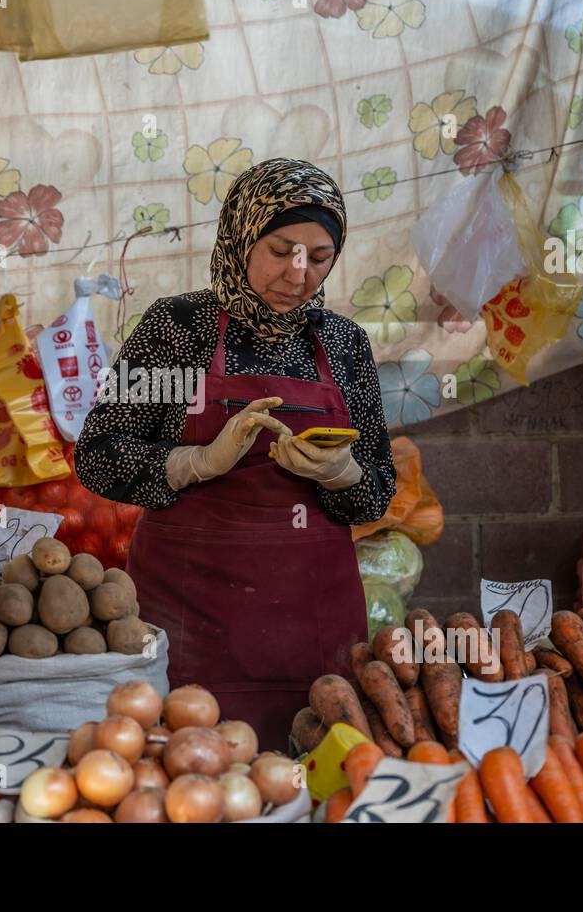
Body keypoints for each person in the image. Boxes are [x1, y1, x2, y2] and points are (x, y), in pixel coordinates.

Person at [75, 157, 397, 749]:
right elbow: (99, 453)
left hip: (313, 626)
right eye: (280, 249)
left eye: (319, 257)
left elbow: (378, 490)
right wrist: (193, 462)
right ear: (241, 233)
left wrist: (344, 473)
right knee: (182, 772)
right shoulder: (178, 330)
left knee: (314, 777)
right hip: (187, 618)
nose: (298, 274)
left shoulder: (343, 344)